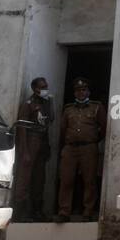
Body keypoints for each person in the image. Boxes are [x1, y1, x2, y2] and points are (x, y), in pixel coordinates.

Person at [56, 77, 105, 222]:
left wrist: (94, 140)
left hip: (88, 147)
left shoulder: (96, 107)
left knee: (89, 180)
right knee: (66, 180)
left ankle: (88, 211)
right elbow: (63, 130)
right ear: (74, 93)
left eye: (83, 90)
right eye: (78, 90)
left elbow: (104, 128)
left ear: (88, 91)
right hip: (70, 148)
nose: (81, 93)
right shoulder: (68, 109)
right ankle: (64, 212)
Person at [13, 77, 52, 222]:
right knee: (24, 178)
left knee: (39, 179)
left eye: (46, 86)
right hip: (30, 141)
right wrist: (25, 151)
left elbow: (46, 126)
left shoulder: (45, 104)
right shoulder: (28, 104)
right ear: (34, 89)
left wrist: (47, 146)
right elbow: (22, 128)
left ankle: (37, 211)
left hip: (41, 142)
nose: (45, 89)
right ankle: (20, 213)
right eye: (42, 87)